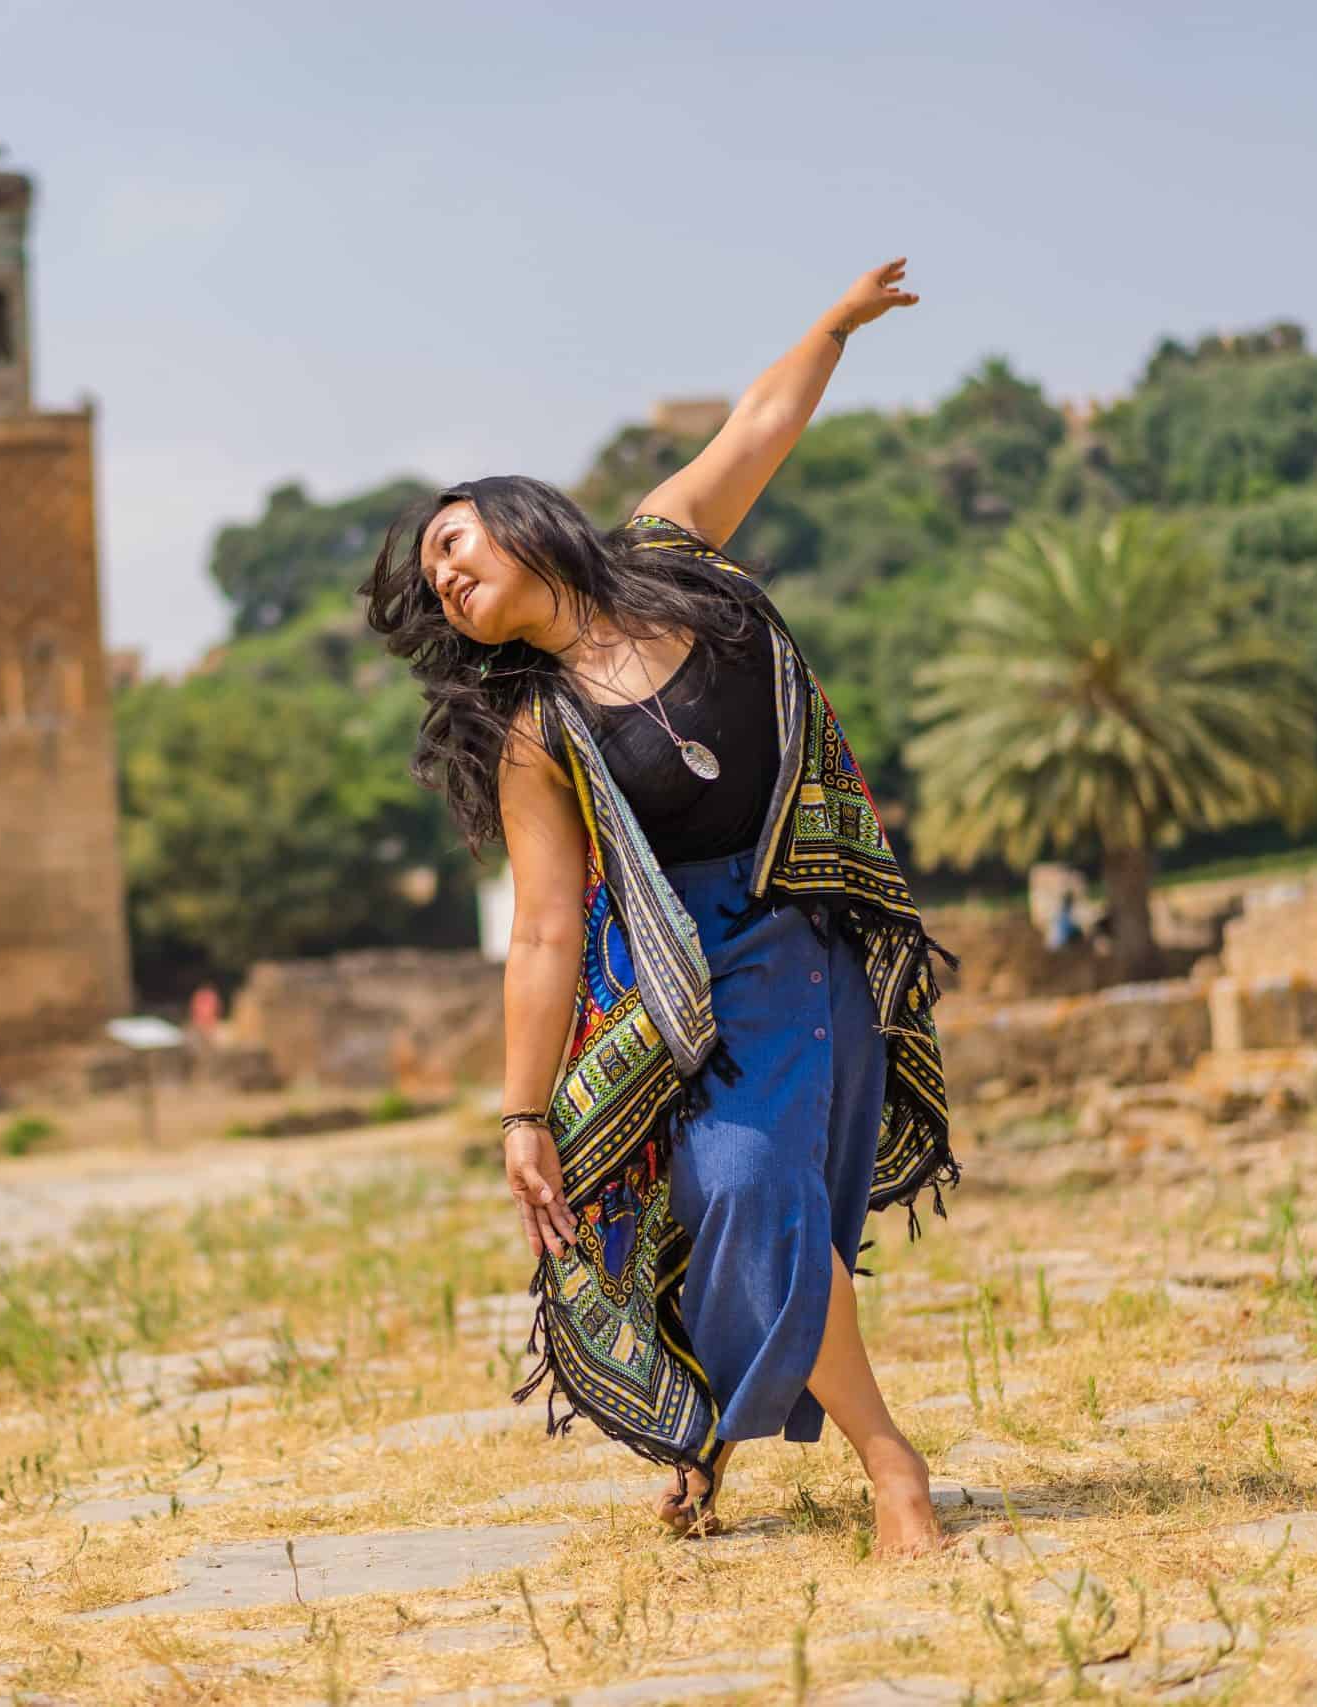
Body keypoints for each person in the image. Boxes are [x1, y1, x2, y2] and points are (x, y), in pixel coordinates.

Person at [360, 260, 952, 1555]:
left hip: (814, 928)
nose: (448, 578)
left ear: (515, 519)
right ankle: (889, 1462)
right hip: (690, 977)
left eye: (453, 544)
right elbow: (543, 931)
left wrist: (833, 328)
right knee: (733, 1189)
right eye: (435, 582)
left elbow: (756, 429)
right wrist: (522, 1113)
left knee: (767, 1200)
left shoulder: (668, 554)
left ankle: (718, 1439)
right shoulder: (534, 730)